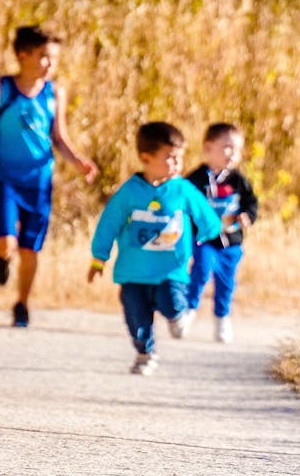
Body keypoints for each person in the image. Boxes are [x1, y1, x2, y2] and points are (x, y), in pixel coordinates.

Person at [0, 25, 99, 327]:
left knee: (30, 247)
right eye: (44, 57)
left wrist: (78, 160)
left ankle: (22, 304)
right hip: (7, 179)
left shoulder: (55, 93)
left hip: (39, 182)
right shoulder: (2, 88)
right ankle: (2, 258)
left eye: (54, 58)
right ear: (22, 55)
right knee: (5, 242)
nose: (50, 64)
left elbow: (59, 136)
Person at [87, 122, 221, 375]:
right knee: (136, 316)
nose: (177, 164)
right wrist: (98, 259)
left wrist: (207, 233)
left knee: (171, 303)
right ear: (146, 158)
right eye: (170, 158)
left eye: (180, 158)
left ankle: (178, 315)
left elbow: (206, 216)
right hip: (133, 272)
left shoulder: (182, 188)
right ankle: (145, 354)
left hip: (171, 270)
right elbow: (108, 225)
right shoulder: (129, 192)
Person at [184, 122, 258, 344]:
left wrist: (247, 215)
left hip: (231, 241)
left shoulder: (237, 180)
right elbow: (184, 203)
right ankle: (188, 311)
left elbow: (251, 202)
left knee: (226, 282)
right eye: (226, 147)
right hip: (204, 239)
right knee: (201, 270)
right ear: (208, 147)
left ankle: (222, 318)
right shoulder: (196, 179)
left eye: (236, 149)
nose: (232, 154)